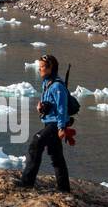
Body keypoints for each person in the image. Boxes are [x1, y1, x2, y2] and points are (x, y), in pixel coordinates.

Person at [15, 54, 71, 192]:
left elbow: (62, 108)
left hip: (55, 124)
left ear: (51, 68)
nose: (39, 70)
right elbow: (50, 105)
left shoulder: (57, 86)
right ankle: (64, 188)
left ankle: (27, 182)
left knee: (36, 143)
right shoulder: (47, 83)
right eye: (39, 67)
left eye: (41, 67)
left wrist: (61, 127)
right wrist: (41, 107)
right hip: (49, 122)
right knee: (56, 155)